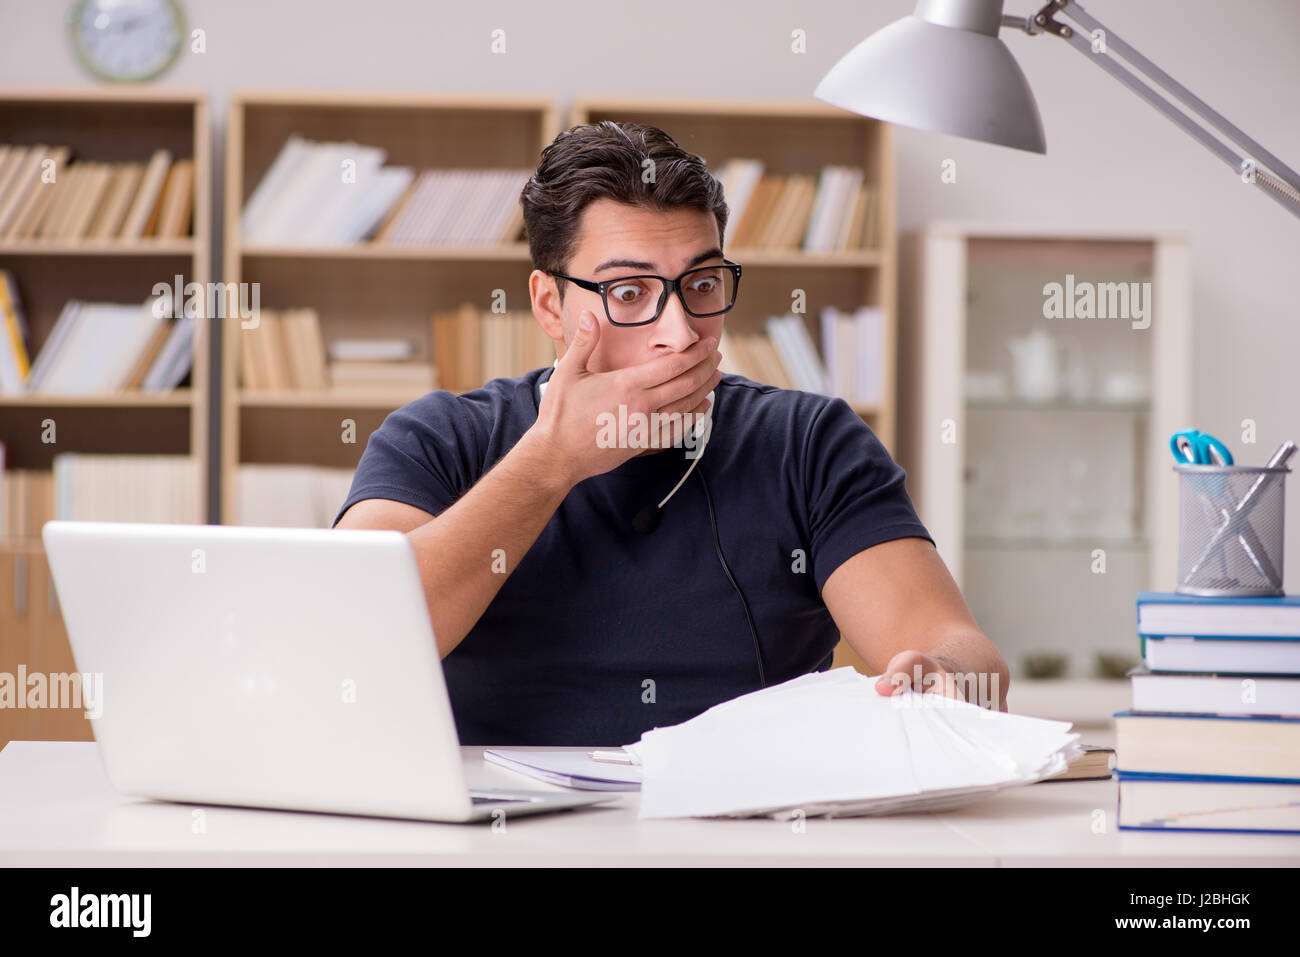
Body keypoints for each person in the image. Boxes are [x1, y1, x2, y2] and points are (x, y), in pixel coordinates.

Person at [334, 120, 1009, 745]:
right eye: (629, 292)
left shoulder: (810, 442)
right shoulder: (438, 438)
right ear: (549, 304)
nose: (681, 331)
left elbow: (960, 647)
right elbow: (355, 635)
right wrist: (550, 462)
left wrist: (944, 675)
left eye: (702, 284)